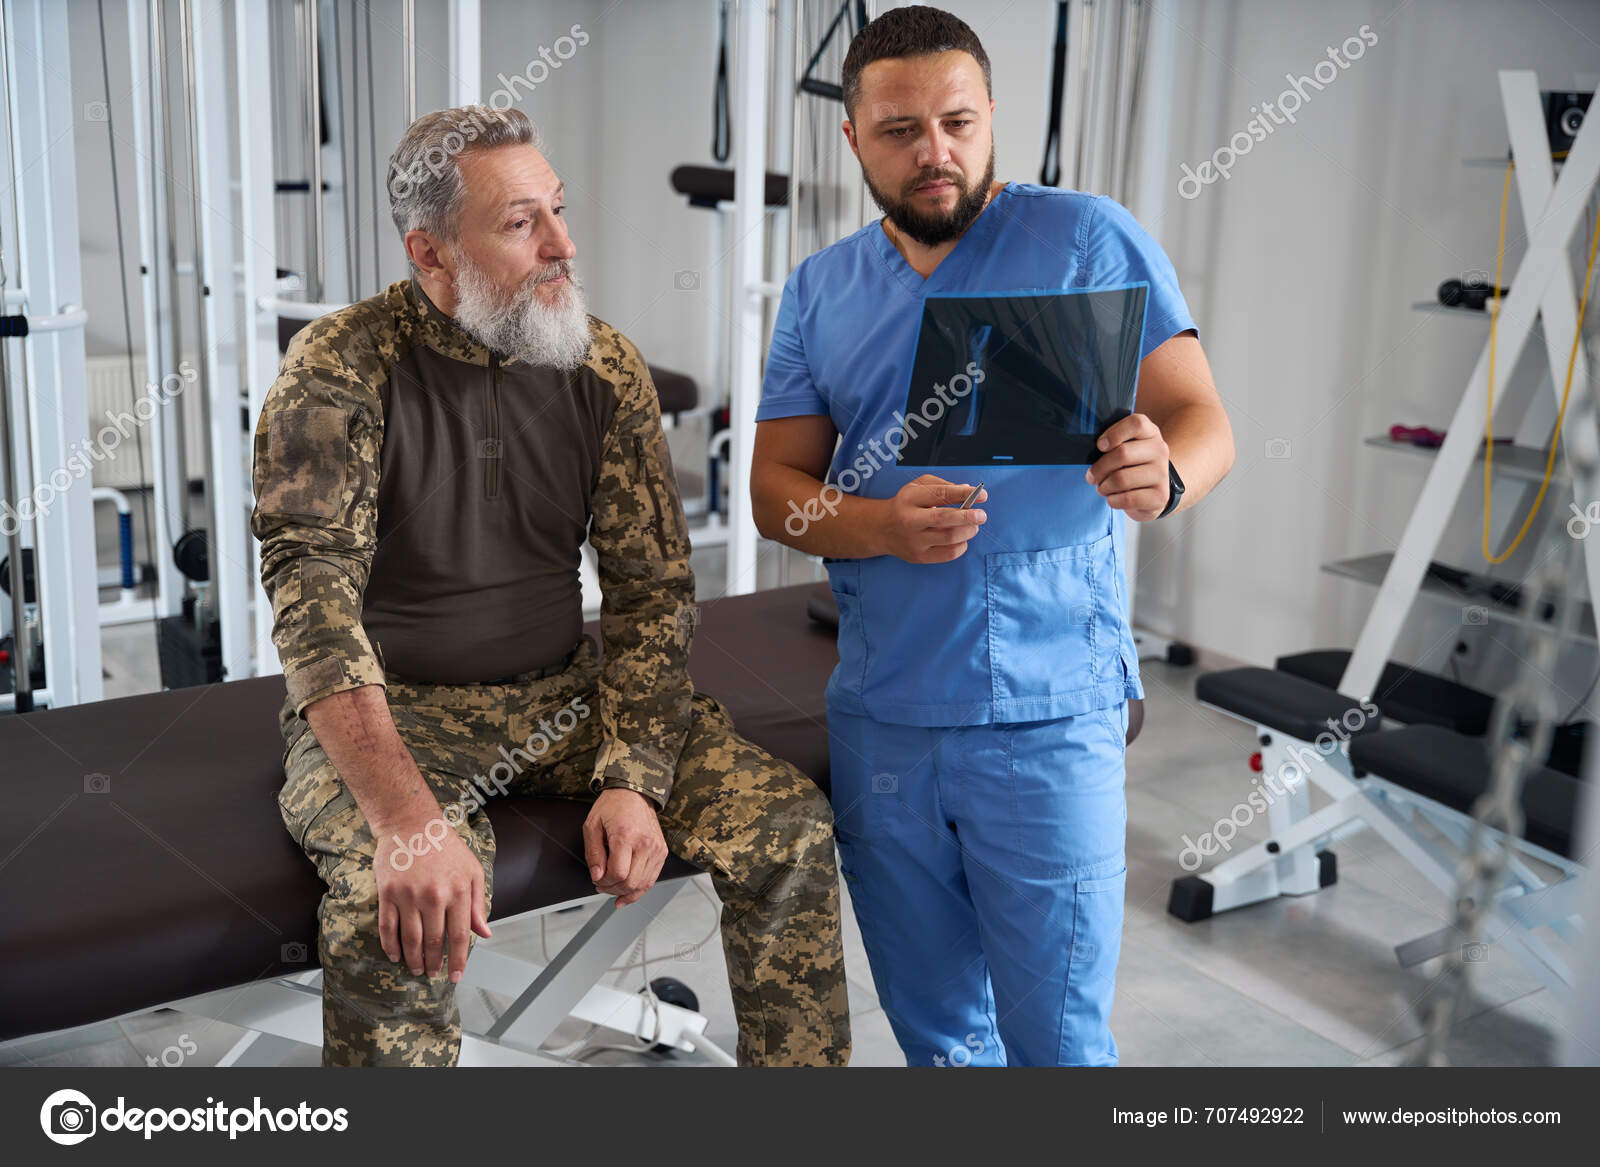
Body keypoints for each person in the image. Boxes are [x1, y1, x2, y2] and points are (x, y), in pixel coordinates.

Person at [253, 105, 849, 1067]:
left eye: (558, 211)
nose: (563, 245)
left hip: (565, 697)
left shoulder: (602, 365)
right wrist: (408, 823)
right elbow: (311, 604)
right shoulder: (339, 368)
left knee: (788, 829)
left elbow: (651, 591)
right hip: (400, 711)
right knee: (389, 907)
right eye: (521, 223)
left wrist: (634, 775)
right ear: (431, 252)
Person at [750, 7, 1233, 1067]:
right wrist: (877, 525)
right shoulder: (823, 290)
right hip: (885, 715)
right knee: (938, 1039)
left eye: (958, 123)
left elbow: (1203, 421)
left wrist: (1165, 474)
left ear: (990, 118)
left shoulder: (1086, 239)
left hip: (1048, 713)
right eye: (900, 130)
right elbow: (776, 494)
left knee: (1056, 1043)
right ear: (853, 138)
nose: (935, 152)